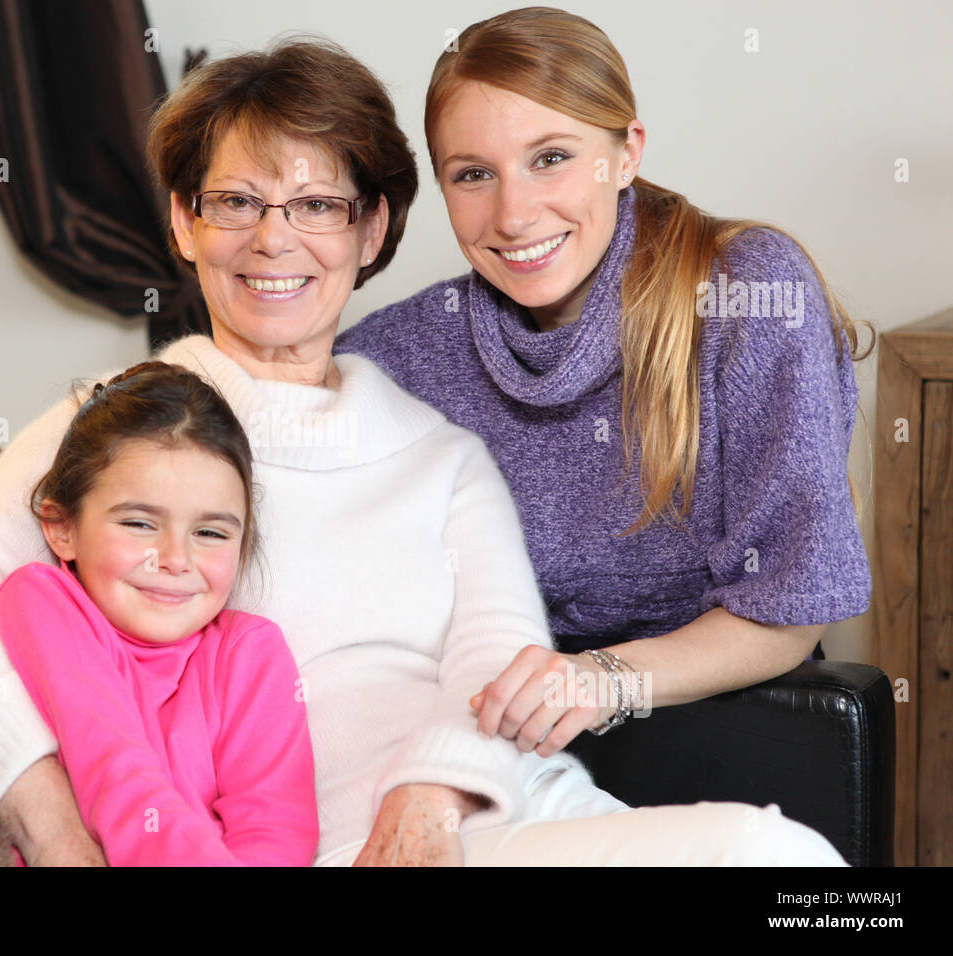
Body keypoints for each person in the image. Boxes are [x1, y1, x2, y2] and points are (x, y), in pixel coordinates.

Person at [0, 38, 846, 866]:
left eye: (317, 205)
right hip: (307, 842)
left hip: (496, 813)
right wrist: (55, 824)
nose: (272, 240)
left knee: (784, 862)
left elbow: (495, 652)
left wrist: (429, 793)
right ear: (182, 222)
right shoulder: (113, 421)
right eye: (234, 202)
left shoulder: (437, 438)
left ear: (370, 229)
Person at [332, 7, 874, 756]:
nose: (515, 214)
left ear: (625, 154)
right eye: (473, 174)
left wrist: (601, 681)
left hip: (724, 747)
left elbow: (790, 605)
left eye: (550, 156)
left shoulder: (748, 292)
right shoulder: (403, 353)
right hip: (498, 754)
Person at [0, 361, 318, 866]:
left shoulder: (251, 654)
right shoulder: (38, 603)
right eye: (140, 523)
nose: (175, 560)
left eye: (210, 533)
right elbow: (115, 770)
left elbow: (276, 830)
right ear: (62, 528)